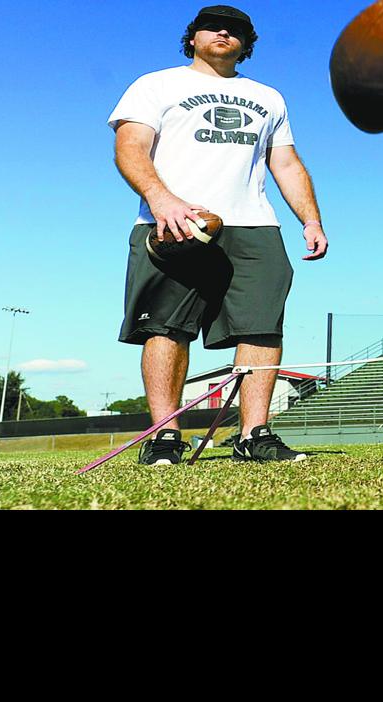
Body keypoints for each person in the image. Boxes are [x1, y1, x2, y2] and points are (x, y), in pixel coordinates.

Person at [109, 4, 328, 465]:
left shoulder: (268, 96)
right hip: (173, 221)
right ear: (192, 38)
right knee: (166, 326)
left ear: (247, 45)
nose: (224, 32)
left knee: (262, 325)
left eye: (237, 30)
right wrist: (162, 198)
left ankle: (254, 435)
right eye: (213, 26)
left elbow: (284, 162)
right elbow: (129, 147)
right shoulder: (156, 84)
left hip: (253, 223)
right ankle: (165, 436)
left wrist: (310, 218)